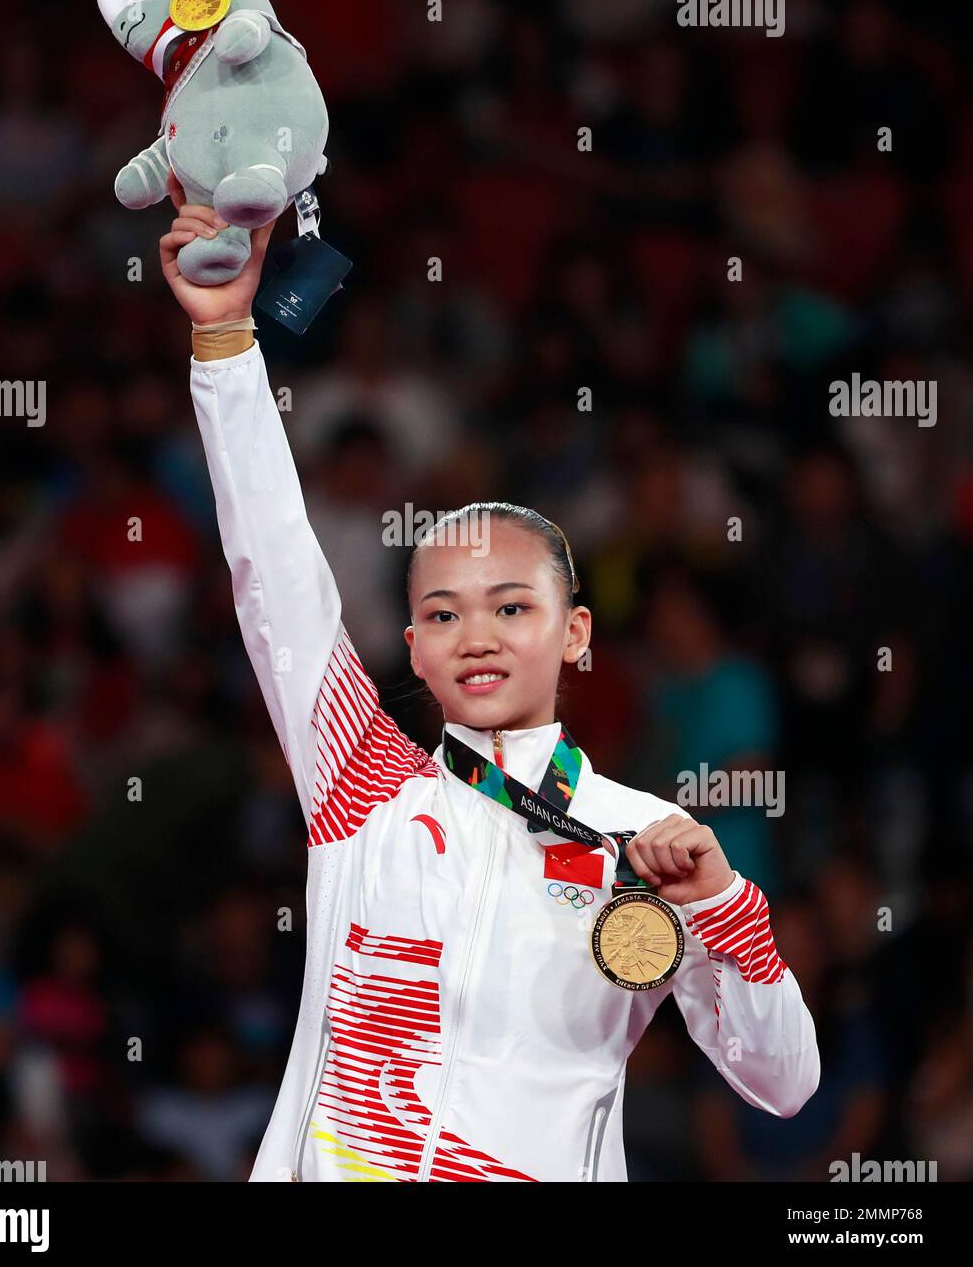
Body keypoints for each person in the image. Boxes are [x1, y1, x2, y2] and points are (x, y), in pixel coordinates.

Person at [158, 176, 820, 1183]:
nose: (476, 633)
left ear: (576, 634)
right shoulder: (360, 785)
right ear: (414, 650)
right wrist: (225, 344)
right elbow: (273, 571)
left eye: (512, 606)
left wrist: (722, 901)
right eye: (442, 613)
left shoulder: (644, 841)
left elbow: (786, 1084)